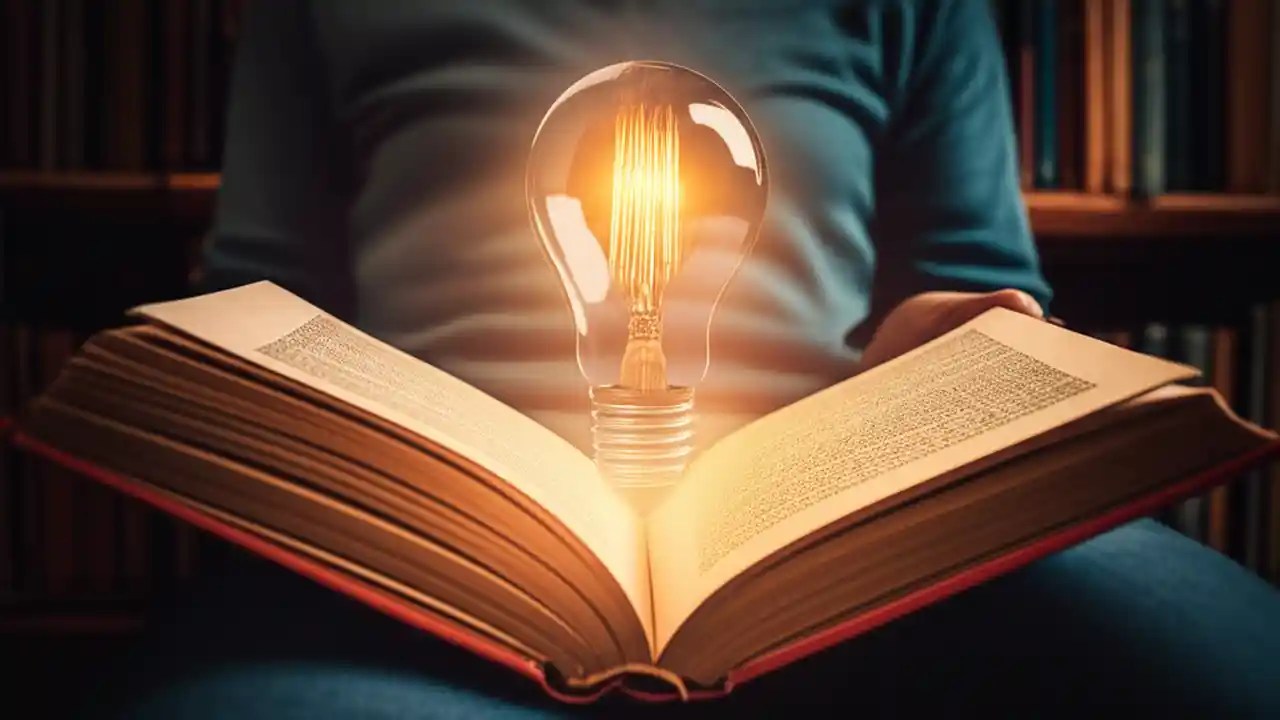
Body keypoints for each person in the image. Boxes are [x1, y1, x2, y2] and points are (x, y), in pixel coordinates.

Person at [82, 1, 1280, 717]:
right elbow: (250, 296)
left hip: (818, 529)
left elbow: (970, 272)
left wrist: (969, 351)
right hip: (430, 539)